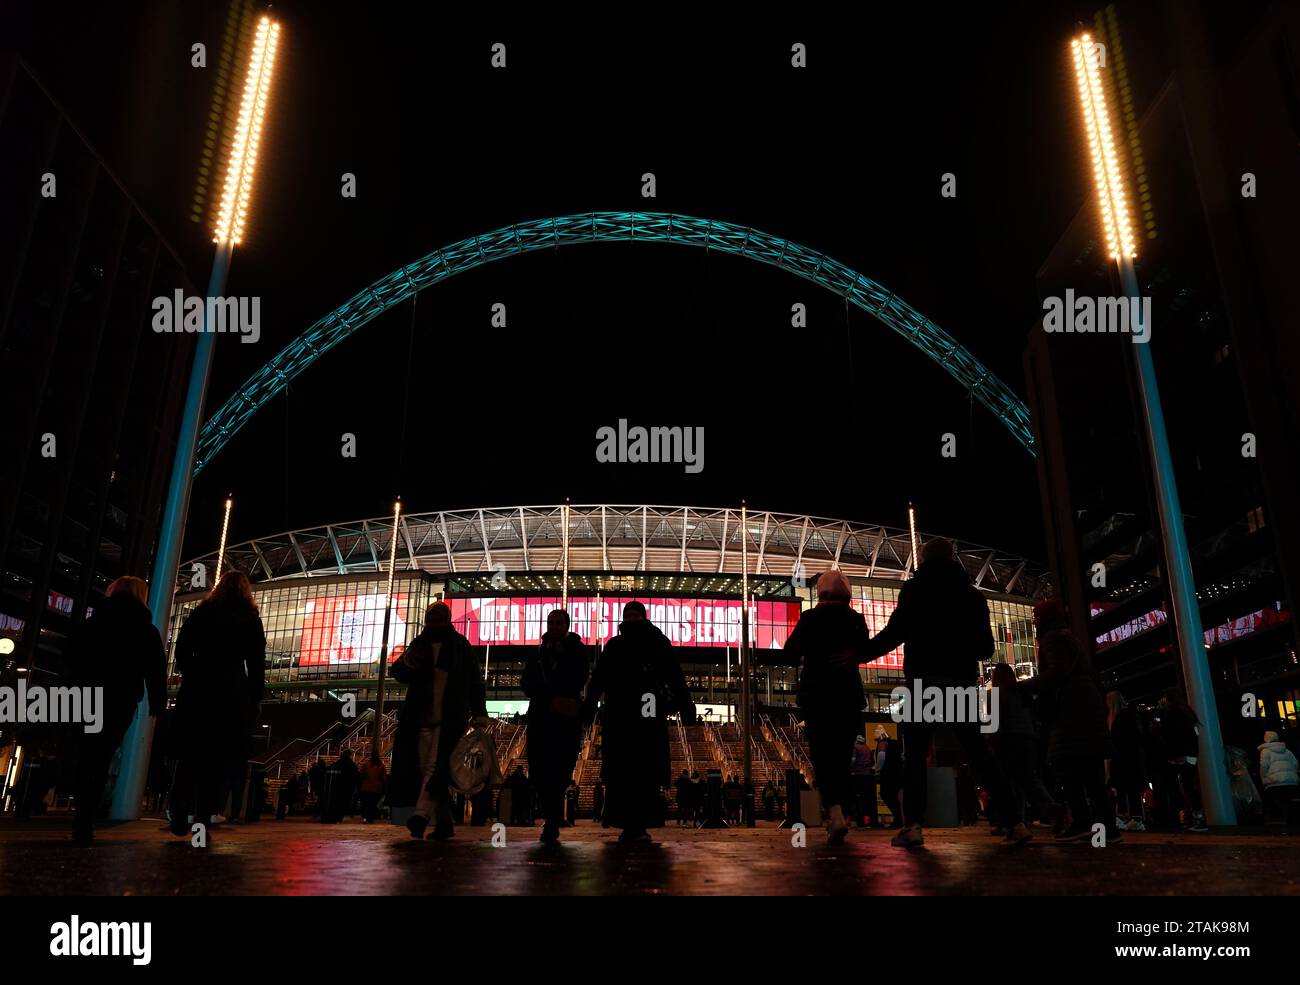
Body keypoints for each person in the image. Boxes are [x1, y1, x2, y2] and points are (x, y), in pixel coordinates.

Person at [863, 538, 1024, 849]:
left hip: (924, 684)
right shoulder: (972, 597)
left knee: (915, 758)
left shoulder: (914, 591)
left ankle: (913, 826)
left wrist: (861, 654)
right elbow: (986, 648)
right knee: (980, 754)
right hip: (959, 683)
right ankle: (1015, 821)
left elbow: (893, 634)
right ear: (953, 559)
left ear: (923, 560)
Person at [62, 576, 167, 843]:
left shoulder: (92, 623)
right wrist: (157, 701)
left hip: (84, 695)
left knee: (84, 751)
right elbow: (155, 668)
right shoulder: (145, 629)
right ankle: (85, 816)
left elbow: (70, 658)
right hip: (120, 698)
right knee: (102, 755)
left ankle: (81, 809)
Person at [581, 600, 695, 842]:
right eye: (628, 615)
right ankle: (629, 822)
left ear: (643, 617)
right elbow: (599, 678)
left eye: (635, 615)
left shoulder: (655, 643)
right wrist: (590, 704)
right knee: (624, 769)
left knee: (643, 768)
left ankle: (638, 822)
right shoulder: (620, 645)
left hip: (643, 712)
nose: (632, 619)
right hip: (623, 714)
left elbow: (675, 676)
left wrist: (686, 705)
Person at [167, 570, 266, 838]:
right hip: (231, 691)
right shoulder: (250, 617)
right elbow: (257, 662)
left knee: (190, 756)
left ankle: (178, 811)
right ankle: (201, 820)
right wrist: (255, 696)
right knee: (217, 761)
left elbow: (183, 646)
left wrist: (192, 670)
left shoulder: (203, 611)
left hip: (199, 687)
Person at [780, 569, 868, 845]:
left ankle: (834, 811)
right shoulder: (855, 619)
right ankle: (843, 811)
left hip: (817, 696)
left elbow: (790, 652)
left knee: (823, 756)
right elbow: (865, 650)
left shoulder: (811, 618)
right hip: (848, 696)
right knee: (841, 757)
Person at [388, 601, 489, 840]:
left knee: (436, 768)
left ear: (447, 620)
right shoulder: (419, 645)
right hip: (421, 718)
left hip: (450, 720)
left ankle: (420, 817)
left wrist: (479, 712)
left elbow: (475, 682)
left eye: (437, 619)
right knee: (429, 771)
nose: (433, 624)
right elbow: (399, 672)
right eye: (430, 619)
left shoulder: (460, 646)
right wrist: (408, 663)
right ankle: (444, 823)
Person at [1019, 600, 1114, 842]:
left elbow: (1056, 673)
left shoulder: (1052, 639)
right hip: (1087, 711)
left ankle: (1082, 821)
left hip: (1071, 713)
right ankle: (1107, 829)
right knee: (1092, 777)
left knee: (1066, 768)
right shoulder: (1070, 638)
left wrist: (1024, 687)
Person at [521, 609, 590, 844]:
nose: (555, 626)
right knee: (539, 768)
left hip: (565, 718)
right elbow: (526, 683)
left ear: (567, 625)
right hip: (541, 717)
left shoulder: (578, 651)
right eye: (551, 622)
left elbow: (578, 678)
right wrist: (547, 692)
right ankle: (551, 816)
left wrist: (546, 691)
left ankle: (552, 820)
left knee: (561, 768)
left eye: (559, 623)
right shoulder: (537, 653)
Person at [988, 663, 1042, 841]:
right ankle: (1021, 819)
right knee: (1025, 780)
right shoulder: (1022, 693)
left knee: (1005, 782)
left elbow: (994, 721)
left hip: (1007, 740)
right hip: (1027, 738)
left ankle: (1011, 821)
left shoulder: (996, 695)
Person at [1152, 690, 1206, 831]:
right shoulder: (1186, 713)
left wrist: (1176, 755)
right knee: (1188, 786)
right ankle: (1196, 816)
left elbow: (1171, 736)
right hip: (1190, 755)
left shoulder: (1172, 715)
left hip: (1179, 756)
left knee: (1176, 786)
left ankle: (1193, 815)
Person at [1106, 690, 1148, 831]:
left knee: (1122, 787)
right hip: (1132, 759)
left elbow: (1117, 741)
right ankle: (1135, 818)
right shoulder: (1131, 717)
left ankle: (1124, 816)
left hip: (1122, 760)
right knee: (1131, 789)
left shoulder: (1117, 719)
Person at [1258, 730, 1299, 819]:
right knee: (1290, 805)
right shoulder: (1287, 751)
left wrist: (1264, 778)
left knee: (1278, 806)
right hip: (1291, 782)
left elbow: (1264, 766)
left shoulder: (1265, 751)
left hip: (1274, 783)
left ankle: (1281, 826)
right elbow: (1295, 764)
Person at [872, 727, 903, 827]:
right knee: (894, 796)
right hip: (898, 774)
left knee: (886, 794)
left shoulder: (882, 744)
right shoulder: (895, 744)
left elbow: (881, 757)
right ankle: (899, 819)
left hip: (888, 775)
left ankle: (897, 819)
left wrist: (877, 770)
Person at [322, 749, 359, 823]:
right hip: (347, 788)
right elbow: (355, 776)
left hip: (336, 787)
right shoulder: (351, 764)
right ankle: (339, 818)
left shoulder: (338, 763)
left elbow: (330, 770)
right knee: (343, 803)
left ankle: (334, 817)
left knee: (336, 802)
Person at [850, 735, 878, 827]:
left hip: (857, 775)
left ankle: (860, 821)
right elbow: (872, 762)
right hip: (868, 776)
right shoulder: (868, 748)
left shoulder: (855, 747)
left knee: (857, 799)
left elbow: (853, 760)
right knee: (868, 800)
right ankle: (871, 821)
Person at [358, 749, 387, 823]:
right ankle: (370, 818)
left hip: (366, 787)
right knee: (373, 804)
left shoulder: (366, 765)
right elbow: (384, 778)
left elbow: (361, 775)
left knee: (366, 804)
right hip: (377, 788)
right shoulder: (381, 765)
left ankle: (365, 817)